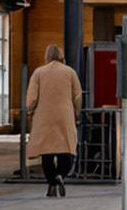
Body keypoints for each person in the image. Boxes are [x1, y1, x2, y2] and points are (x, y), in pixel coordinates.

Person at [25, 43, 83, 197]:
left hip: (43, 116)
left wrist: (29, 110)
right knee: (67, 149)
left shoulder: (38, 72)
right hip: (65, 115)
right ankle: (61, 175)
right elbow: (77, 96)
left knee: (47, 152)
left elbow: (31, 99)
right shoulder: (70, 72)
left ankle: (51, 182)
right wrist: (76, 113)